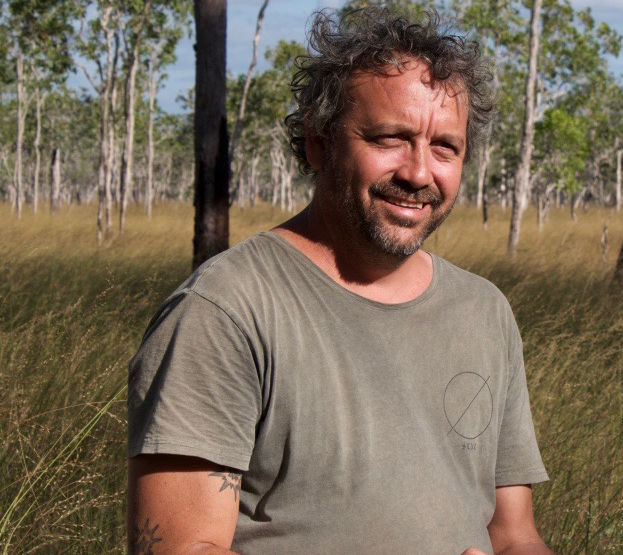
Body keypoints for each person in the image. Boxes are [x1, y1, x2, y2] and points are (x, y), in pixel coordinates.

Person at [126, 8, 551, 554]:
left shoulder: (484, 311)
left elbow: (516, 537)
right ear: (318, 143)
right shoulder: (226, 309)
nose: (419, 173)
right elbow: (177, 548)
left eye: (445, 146)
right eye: (390, 138)